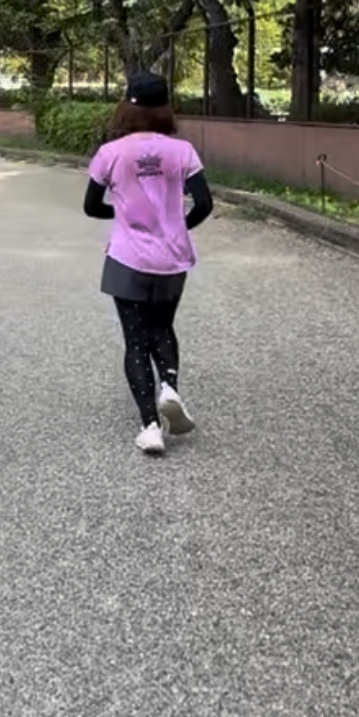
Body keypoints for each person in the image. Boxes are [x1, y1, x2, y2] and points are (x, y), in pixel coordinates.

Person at [83, 70, 214, 457]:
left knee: (136, 340)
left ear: (128, 106)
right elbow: (204, 204)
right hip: (172, 258)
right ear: (165, 108)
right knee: (163, 327)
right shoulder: (183, 151)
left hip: (128, 258)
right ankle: (169, 387)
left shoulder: (111, 153)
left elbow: (91, 207)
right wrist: (176, 227)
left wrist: (122, 212)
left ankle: (150, 427)